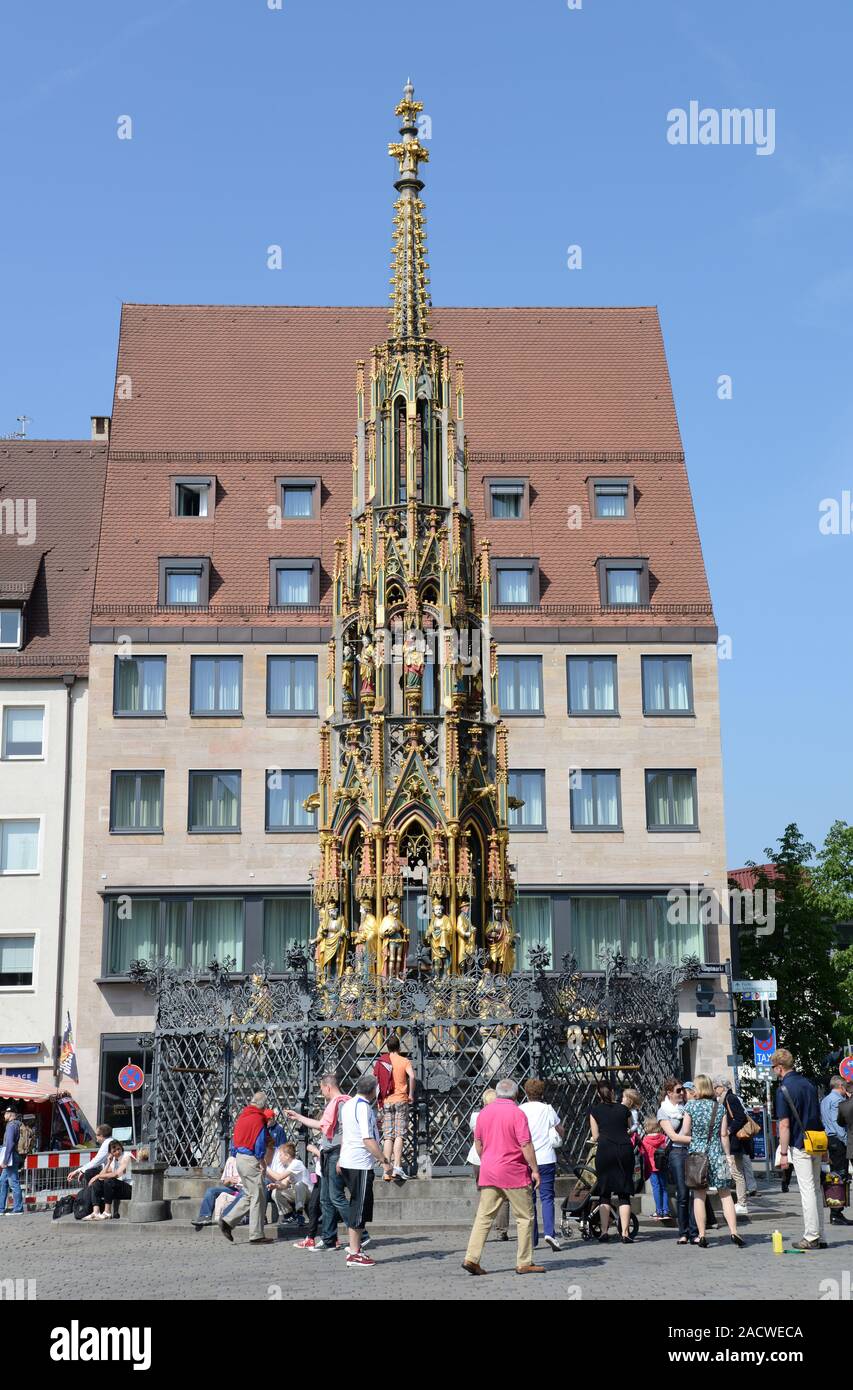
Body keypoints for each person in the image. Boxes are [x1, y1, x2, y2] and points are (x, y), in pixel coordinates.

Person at [463, 1077, 545, 1276]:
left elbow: (479, 1144)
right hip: (514, 1173)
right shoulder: (517, 1114)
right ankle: (524, 1261)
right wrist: (534, 1169)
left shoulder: (484, 1113)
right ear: (516, 1095)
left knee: (484, 1216)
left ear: (498, 1093)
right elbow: (525, 1144)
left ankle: (471, 1258)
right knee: (525, 1217)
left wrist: (488, 1160)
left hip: (490, 1171)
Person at [286, 1073, 353, 1253]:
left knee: (335, 1197)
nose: (321, 1092)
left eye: (322, 1089)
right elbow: (321, 1125)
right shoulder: (334, 1104)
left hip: (335, 1153)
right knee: (326, 1199)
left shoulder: (341, 1103)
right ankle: (329, 1239)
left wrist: (342, 1156)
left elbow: (347, 1131)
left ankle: (359, 1232)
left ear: (328, 1087)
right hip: (328, 1154)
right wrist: (298, 1117)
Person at [773, 1047, 827, 1251]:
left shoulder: (783, 1089)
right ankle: (820, 1235)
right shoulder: (809, 1084)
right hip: (816, 1140)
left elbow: (784, 1125)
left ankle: (811, 1236)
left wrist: (784, 1153)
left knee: (806, 1190)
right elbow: (816, 1114)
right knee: (815, 1189)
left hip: (799, 1143)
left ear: (779, 1068)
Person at [680, 1074, 743, 1247]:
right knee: (725, 1194)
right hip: (718, 1153)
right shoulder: (720, 1107)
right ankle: (734, 1231)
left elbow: (685, 1132)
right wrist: (728, 1156)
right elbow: (724, 1135)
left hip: (697, 1155)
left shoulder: (690, 1107)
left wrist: (697, 1137)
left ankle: (701, 1235)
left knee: (699, 1194)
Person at [338, 1074, 392, 1268]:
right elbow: (367, 1140)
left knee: (358, 1205)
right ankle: (354, 1253)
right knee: (359, 1208)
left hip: (349, 1161)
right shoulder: (363, 1108)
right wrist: (384, 1161)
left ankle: (356, 1248)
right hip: (359, 1163)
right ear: (373, 1091)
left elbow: (347, 1134)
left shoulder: (349, 1104)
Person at [219, 1090, 274, 1245]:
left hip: (240, 1158)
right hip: (250, 1159)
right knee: (258, 1195)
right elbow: (259, 1143)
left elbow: (236, 1139)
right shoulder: (258, 1119)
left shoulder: (243, 1116)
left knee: (249, 1194)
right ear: (263, 1105)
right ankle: (256, 1234)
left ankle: (228, 1221)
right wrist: (262, 1161)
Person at [520, 1078, 565, 1251]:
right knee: (547, 1197)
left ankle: (531, 1238)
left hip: (526, 1159)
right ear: (542, 1092)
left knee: (528, 1199)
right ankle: (549, 1233)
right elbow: (559, 1128)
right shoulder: (547, 1109)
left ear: (526, 1092)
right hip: (545, 1157)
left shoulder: (520, 1110)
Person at [589, 1082, 635, 1243]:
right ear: (613, 1092)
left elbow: (595, 1136)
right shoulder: (624, 1109)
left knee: (604, 1192)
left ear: (598, 1094)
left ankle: (604, 1231)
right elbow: (630, 1130)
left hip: (606, 1149)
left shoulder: (595, 1111)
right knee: (624, 1193)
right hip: (624, 1149)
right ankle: (625, 1232)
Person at [467, 1088, 509, 1242]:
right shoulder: (504, 1115)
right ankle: (502, 1230)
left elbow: (477, 1138)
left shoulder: (476, 1116)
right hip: (498, 1158)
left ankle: (480, 1230)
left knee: (483, 1194)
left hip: (479, 1159)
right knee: (503, 1196)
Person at [712, 1074, 754, 1218]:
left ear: (721, 1087)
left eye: (715, 1087)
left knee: (737, 1172)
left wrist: (729, 1130)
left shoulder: (730, 1098)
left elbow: (740, 1117)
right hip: (732, 1141)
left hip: (735, 1141)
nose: (714, 1090)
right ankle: (737, 1202)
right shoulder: (726, 1099)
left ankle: (742, 1203)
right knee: (733, 1171)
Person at [379, 1036, 414, 1182]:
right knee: (400, 1134)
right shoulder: (404, 1061)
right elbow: (412, 1076)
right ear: (399, 1048)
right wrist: (411, 1094)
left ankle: (387, 1170)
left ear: (387, 1047)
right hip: (401, 1099)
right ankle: (397, 1167)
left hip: (387, 1100)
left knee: (388, 1136)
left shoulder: (383, 1061)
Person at [821, 1075, 853, 1227]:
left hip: (830, 1139)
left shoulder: (825, 1099)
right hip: (838, 1141)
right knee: (841, 1175)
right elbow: (838, 1125)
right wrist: (847, 1141)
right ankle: (836, 1213)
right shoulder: (838, 1101)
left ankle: (835, 1211)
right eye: (844, 1087)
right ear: (840, 1086)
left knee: (835, 1175)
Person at [85, 1140, 133, 1220]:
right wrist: (109, 1162)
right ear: (110, 1153)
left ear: (122, 1148)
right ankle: (95, 1212)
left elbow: (117, 1174)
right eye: (114, 1151)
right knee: (97, 1183)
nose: (117, 1152)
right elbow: (101, 1176)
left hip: (130, 1189)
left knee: (109, 1180)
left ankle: (107, 1212)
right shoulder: (114, 1161)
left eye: (119, 1149)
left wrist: (97, 1176)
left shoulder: (127, 1156)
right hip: (118, 1188)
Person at [193, 1154, 243, 1230]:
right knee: (211, 1191)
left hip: (245, 1188)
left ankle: (226, 1217)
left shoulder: (250, 1158)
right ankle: (205, 1216)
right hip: (234, 1188)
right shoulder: (231, 1159)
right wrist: (229, 1180)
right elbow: (225, 1182)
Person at [267, 1142, 310, 1222]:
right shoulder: (288, 1167)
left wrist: (265, 1166)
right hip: (297, 1193)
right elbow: (284, 1185)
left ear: (287, 1156)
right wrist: (275, 1186)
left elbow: (278, 1177)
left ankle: (299, 1213)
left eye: (281, 1155)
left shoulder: (296, 1163)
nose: (279, 1158)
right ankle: (289, 1215)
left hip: (307, 1193)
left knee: (299, 1184)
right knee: (275, 1193)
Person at [639, 1117, 671, 1219]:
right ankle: (666, 1211)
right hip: (663, 1166)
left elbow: (642, 1152)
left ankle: (658, 1211)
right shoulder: (663, 1138)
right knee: (664, 1188)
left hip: (652, 1168)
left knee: (656, 1188)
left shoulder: (645, 1140)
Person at [0, 1105, 24, 1215]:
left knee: (14, 1182)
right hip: (15, 1155)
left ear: (10, 1114)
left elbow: (10, 1143)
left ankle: (18, 1209)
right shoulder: (18, 1124)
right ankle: (1, 1208)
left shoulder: (11, 1125)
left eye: (5, 1113)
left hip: (11, 1157)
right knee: (3, 1181)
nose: (4, 1115)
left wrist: (5, 1160)